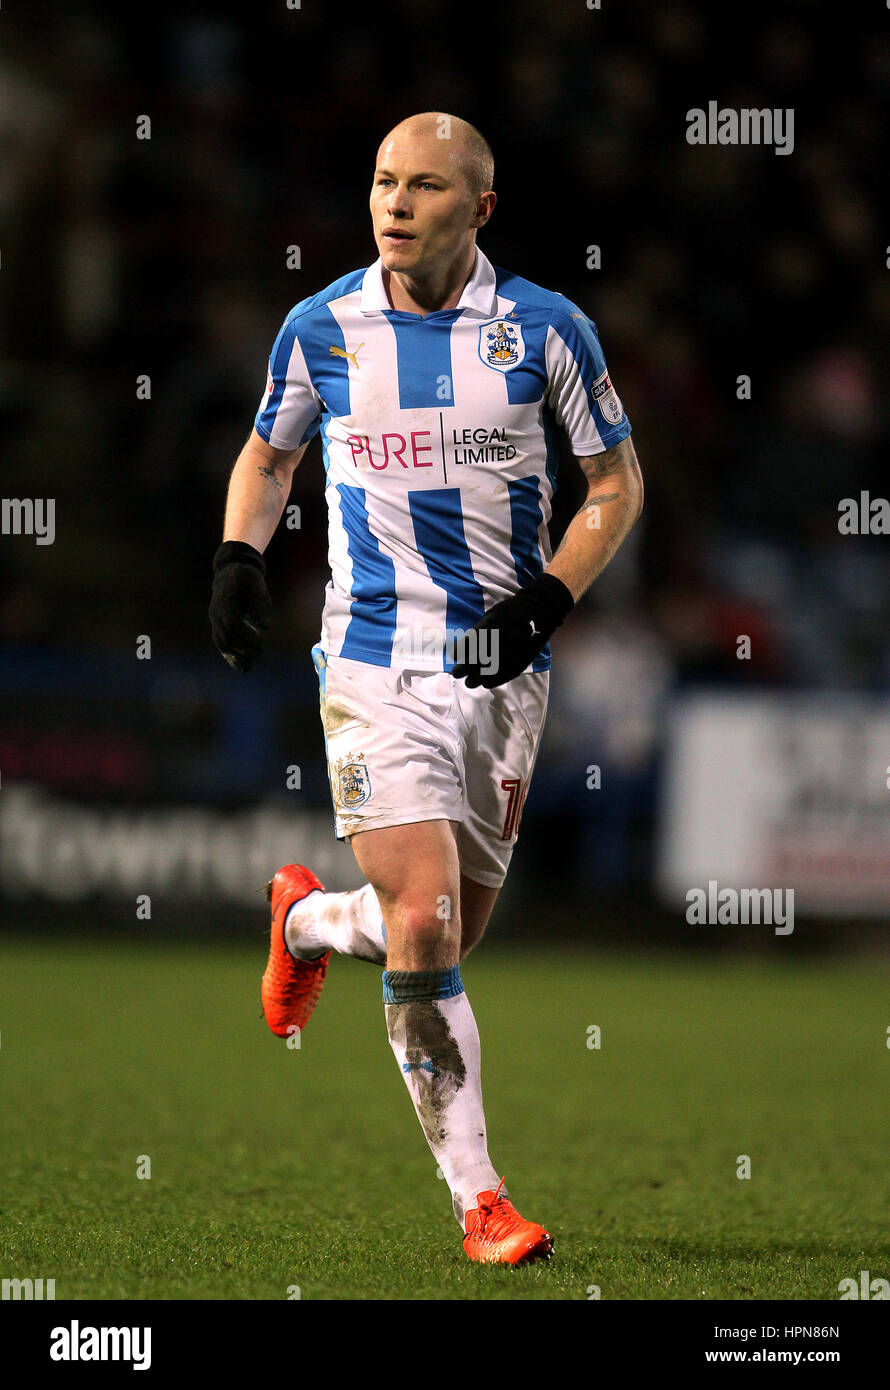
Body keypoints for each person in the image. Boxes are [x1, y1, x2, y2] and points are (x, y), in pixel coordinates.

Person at [209, 111, 643, 1265]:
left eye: (425, 188)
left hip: (502, 669)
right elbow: (269, 452)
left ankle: (301, 918)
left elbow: (614, 482)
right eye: (381, 183)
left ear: (480, 209)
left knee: (440, 935)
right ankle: (481, 1202)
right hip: (369, 658)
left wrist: (546, 600)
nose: (395, 205)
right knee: (423, 916)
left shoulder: (546, 328)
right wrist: (240, 557)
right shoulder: (322, 326)